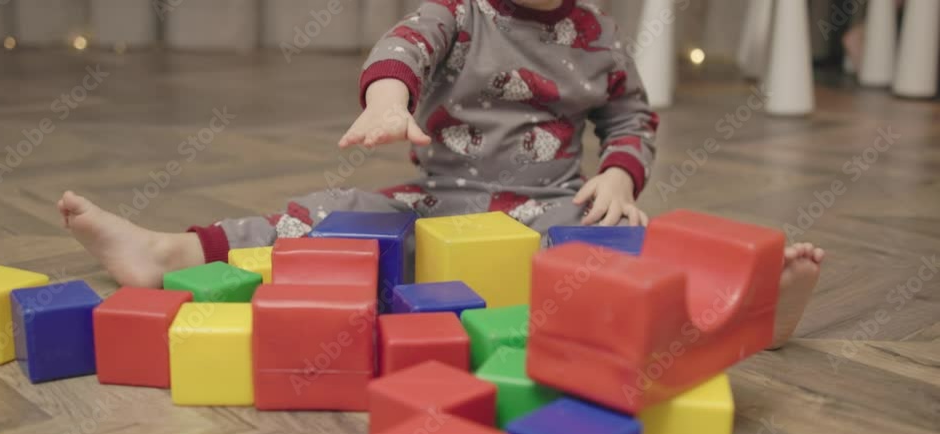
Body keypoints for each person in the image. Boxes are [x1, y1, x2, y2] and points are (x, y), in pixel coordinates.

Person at [57, 0, 823, 348]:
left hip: (551, 205)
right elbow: (401, 49)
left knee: (632, 248)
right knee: (325, 214)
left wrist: (621, 177)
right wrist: (390, 100)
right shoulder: (458, 16)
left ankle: (750, 314)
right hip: (435, 201)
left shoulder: (601, 40)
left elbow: (630, 117)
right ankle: (166, 254)